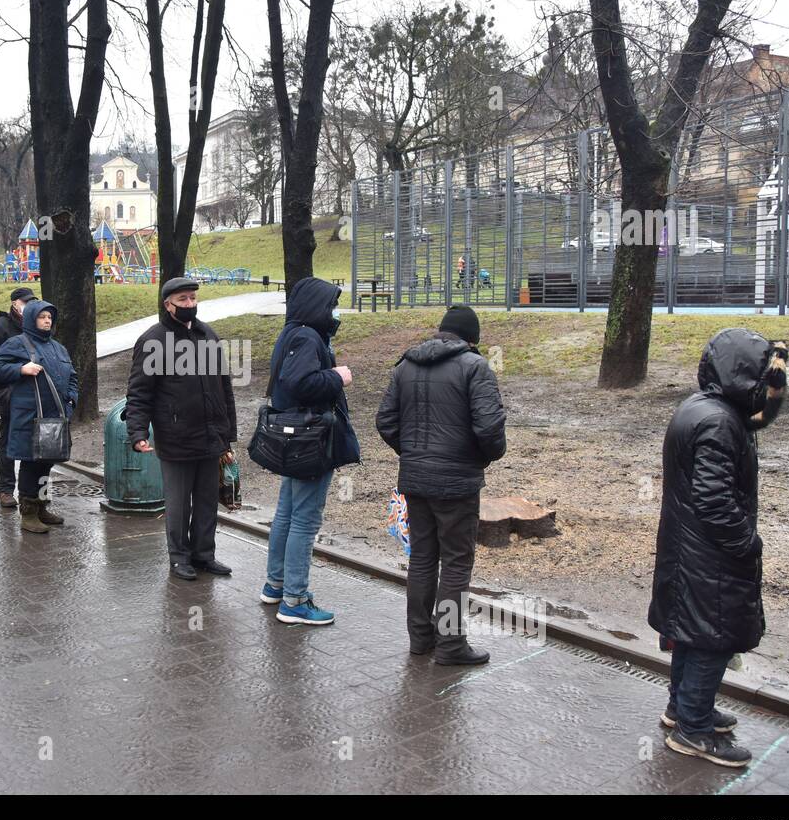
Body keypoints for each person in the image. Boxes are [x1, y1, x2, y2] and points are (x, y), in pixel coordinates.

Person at [650, 329, 788, 768]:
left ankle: (684, 708)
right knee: (712, 638)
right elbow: (713, 501)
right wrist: (746, 543)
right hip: (710, 554)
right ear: (743, 374)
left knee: (692, 631)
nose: (766, 383)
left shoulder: (705, 408)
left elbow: (763, 414)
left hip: (689, 549)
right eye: (761, 374)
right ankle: (693, 729)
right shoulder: (719, 421)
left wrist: (779, 373)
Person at [376, 304, 507, 665]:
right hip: (456, 484)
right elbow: (490, 429)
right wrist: (479, 458)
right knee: (455, 562)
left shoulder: (406, 365)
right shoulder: (476, 367)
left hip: (416, 480)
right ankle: (450, 645)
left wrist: (413, 453)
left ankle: (420, 639)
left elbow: (385, 421)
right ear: (472, 339)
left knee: (422, 558)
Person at [259, 278, 359, 625]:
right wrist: (337, 376)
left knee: (287, 513)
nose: (334, 312)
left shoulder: (292, 332)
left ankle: (276, 585)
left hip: (294, 440)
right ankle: (295, 601)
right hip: (310, 442)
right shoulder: (306, 337)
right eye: (330, 305)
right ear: (317, 306)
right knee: (304, 519)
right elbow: (299, 382)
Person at [126, 276, 237, 580]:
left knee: (206, 501)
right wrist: (137, 432)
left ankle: (204, 555)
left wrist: (228, 435)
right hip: (176, 437)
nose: (190, 305)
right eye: (183, 300)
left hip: (211, 437)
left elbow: (224, 388)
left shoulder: (208, 336)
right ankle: (179, 558)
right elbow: (139, 392)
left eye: (193, 299)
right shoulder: (153, 340)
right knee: (178, 505)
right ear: (168, 305)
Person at [0, 299, 78, 533]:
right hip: (28, 417)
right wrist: (21, 369)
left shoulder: (58, 347)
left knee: (46, 464)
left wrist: (71, 401)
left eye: (50, 317)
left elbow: (73, 376)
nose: (47, 321)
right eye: (42, 317)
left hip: (54, 418)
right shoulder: (17, 344)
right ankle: (28, 514)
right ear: (31, 319)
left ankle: (41, 507)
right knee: (30, 463)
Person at [0, 286, 36, 507]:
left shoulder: (36, 325)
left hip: (34, 395)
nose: (28, 306)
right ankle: (5, 489)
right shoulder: (0, 327)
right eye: (25, 302)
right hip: (9, 394)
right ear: (14, 303)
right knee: (7, 441)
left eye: (31, 302)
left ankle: (30, 493)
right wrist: (19, 369)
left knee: (33, 444)